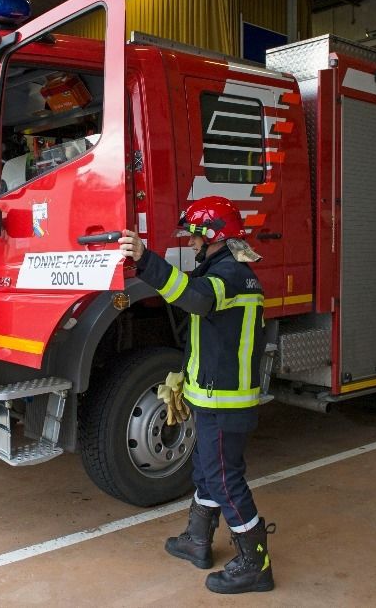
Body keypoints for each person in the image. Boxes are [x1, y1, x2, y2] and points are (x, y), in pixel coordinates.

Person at [118, 196, 274, 594]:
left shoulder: (231, 275)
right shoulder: (226, 270)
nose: (189, 243)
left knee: (224, 480)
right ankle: (198, 541)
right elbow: (210, 337)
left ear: (214, 237)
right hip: (214, 399)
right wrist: (186, 381)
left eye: (193, 236)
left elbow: (197, 298)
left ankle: (255, 562)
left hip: (225, 403)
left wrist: (145, 258)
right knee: (207, 472)